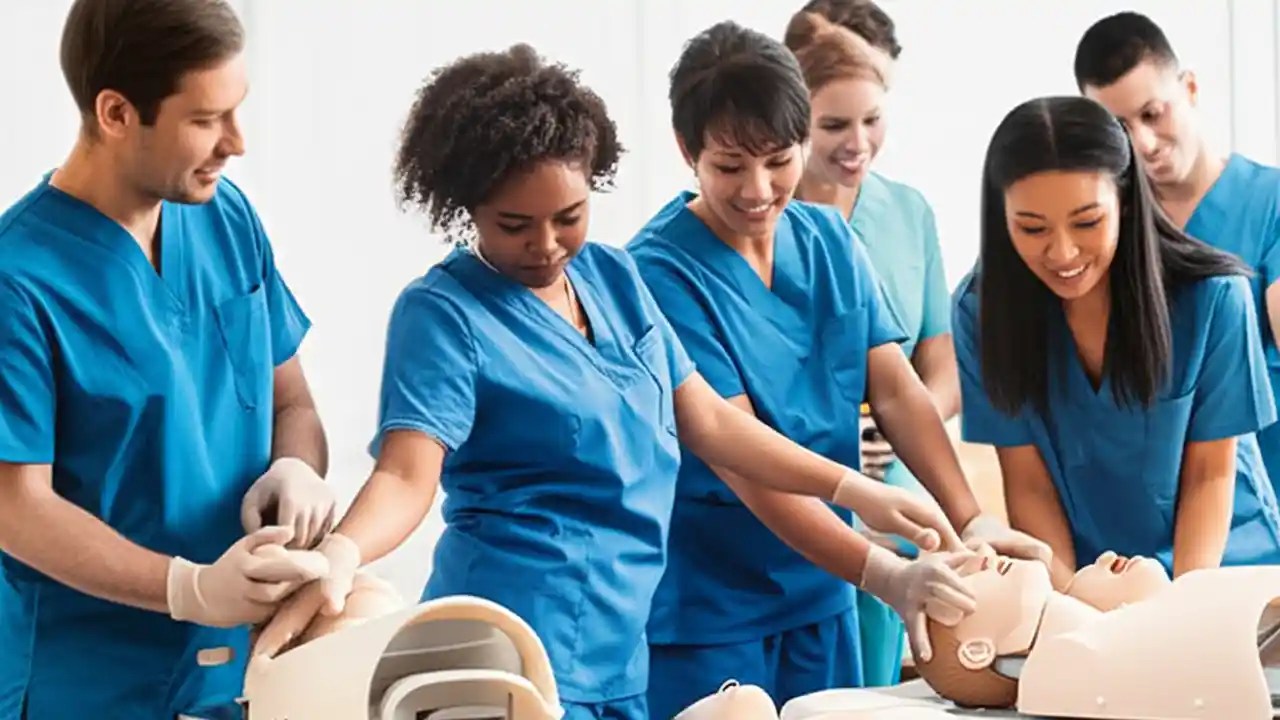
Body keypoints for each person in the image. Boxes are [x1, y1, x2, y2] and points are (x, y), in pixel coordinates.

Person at [250, 43, 977, 720]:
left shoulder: (614, 277)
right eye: (514, 225)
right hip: (510, 640)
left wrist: (853, 489)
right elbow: (408, 474)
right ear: (464, 207)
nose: (545, 246)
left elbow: (715, 426)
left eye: (568, 217)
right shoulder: (442, 313)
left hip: (622, 640)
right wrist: (343, 550)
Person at [626, 21, 1050, 716]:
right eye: (729, 166)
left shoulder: (827, 241)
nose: (759, 190)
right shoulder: (658, 273)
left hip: (821, 596)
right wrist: (880, 567)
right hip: (711, 610)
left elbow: (897, 389)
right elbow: (742, 457)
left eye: (777, 159)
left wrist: (969, 517)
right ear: (686, 151)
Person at [0, 1, 337, 717]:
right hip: (90, 687)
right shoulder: (18, 281)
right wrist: (188, 588)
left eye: (237, 110)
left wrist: (297, 468)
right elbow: (14, 507)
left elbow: (291, 403)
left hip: (240, 681)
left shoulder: (227, 217)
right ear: (117, 113)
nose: (237, 142)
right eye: (206, 119)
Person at [954, 95, 1280, 595]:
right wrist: (1070, 603)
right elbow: (1028, 483)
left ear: (1126, 201)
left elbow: (1209, 477)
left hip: (1226, 571)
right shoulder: (982, 313)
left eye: (1087, 222)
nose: (1062, 252)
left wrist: (1185, 609)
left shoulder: (1215, 298)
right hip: (1094, 577)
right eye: (1031, 228)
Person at [784, 0, 961, 688]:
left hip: (897, 485)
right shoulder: (760, 217)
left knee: (884, 682)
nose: (857, 140)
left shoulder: (907, 213)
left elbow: (934, 369)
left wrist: (894, 426)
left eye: (872, 117)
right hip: (803, 488)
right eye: (835, 123)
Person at [1074, 11, 1280, 497]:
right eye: (1119, 128)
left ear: (1189, 88)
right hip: (1148, 499)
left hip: (1262, 490)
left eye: (1152, 114)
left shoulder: (1268, 201)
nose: (1142, 144)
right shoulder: (1104, 227)